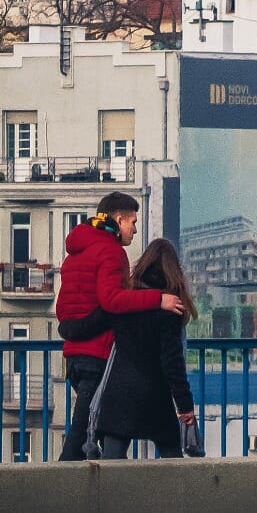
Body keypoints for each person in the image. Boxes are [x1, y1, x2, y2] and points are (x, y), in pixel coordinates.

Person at [54, 193, 187, 462]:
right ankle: (59, 498)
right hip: (97, 357)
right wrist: (158, 299)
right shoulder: (112, 252)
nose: (135, 230)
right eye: (133, 223)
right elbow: (112, 300)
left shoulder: (77, 253)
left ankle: (104, 495)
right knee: (79, 439)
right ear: (119, 219)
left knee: (104, 435)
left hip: (75, 357)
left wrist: (72, 331)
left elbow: (63, 310)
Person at [85, 236, 203, 460]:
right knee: (172, 460)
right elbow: (173, 363)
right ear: (174, 270)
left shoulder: (124, 299)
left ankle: (108, 497)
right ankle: (177, 497)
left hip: (118, 393)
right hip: (154, 394)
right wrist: (185, 405)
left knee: (111, 463)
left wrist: (68, 327)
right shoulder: (171, 306)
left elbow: (88, 326)